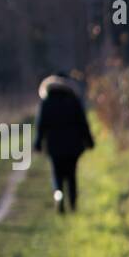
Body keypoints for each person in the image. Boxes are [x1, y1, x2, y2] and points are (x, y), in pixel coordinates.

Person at [33, 72, 95, 214]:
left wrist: (38, 143)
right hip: (74, 146)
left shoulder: (46, 102)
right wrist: (89, 141)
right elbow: (82, 123)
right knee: (71, 176)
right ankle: (72, 205)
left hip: (54, 146)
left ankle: (58, 196)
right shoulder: (73, 100)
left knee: (57, 175)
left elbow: (41, 125)